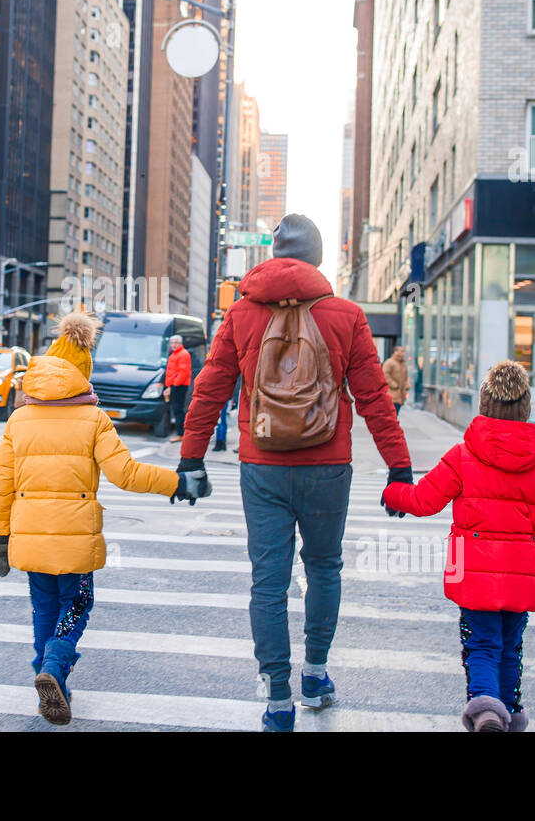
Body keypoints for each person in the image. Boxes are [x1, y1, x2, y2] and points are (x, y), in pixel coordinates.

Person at [178, 213, 412, 731]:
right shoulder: (347, 315)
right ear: (317, 258)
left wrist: (191, 458)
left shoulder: (240, 315)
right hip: (328, 465)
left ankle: (278, 699)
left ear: (276, 255)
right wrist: (399, 468)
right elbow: (374, 397)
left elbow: (210, 390)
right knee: (324, 567)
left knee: (269, 580)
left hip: (261, 466)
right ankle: (315, 675)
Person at [0, 311, 208, 726]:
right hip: (76, 544)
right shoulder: (94, 419)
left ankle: (51, 683)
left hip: (30, 542)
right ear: (83, 374)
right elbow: (127, 474)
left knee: (43, 610)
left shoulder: (19, 420)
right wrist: (177, 483)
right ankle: (54, 665)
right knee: (78, 604)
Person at [382, 359, 535, 732]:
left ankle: (485, 709)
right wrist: (527, 548)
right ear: (526, 408)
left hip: (472, 574)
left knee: (481, 644)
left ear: (484, 405)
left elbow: (424, 500)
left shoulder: (463, 457)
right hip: (519, 580)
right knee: (509, 647)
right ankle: (509, 709)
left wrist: (393, 494)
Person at [163, 333, 192, 442]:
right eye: (172, 343)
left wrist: (173, 385)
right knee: (177, 409)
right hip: (175, 385)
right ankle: (181, 433)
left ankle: (181, 434)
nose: (174, 345)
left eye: (176, 343)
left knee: (178, 410)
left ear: (180, 344)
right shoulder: (175, 354)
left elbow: (182, 373)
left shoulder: (183, 354)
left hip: (179, 386)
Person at [383, 345, 410, 416]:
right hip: (391, 394)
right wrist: (394, 385)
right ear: (395, 352)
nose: (403, 353)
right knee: (391, 415)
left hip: (400, 395)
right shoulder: (389, 362)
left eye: (403, 351)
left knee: (395, 414)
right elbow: (385, 375)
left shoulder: (403, 364)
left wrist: (407, 385)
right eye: (401, 351)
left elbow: (405, 377)